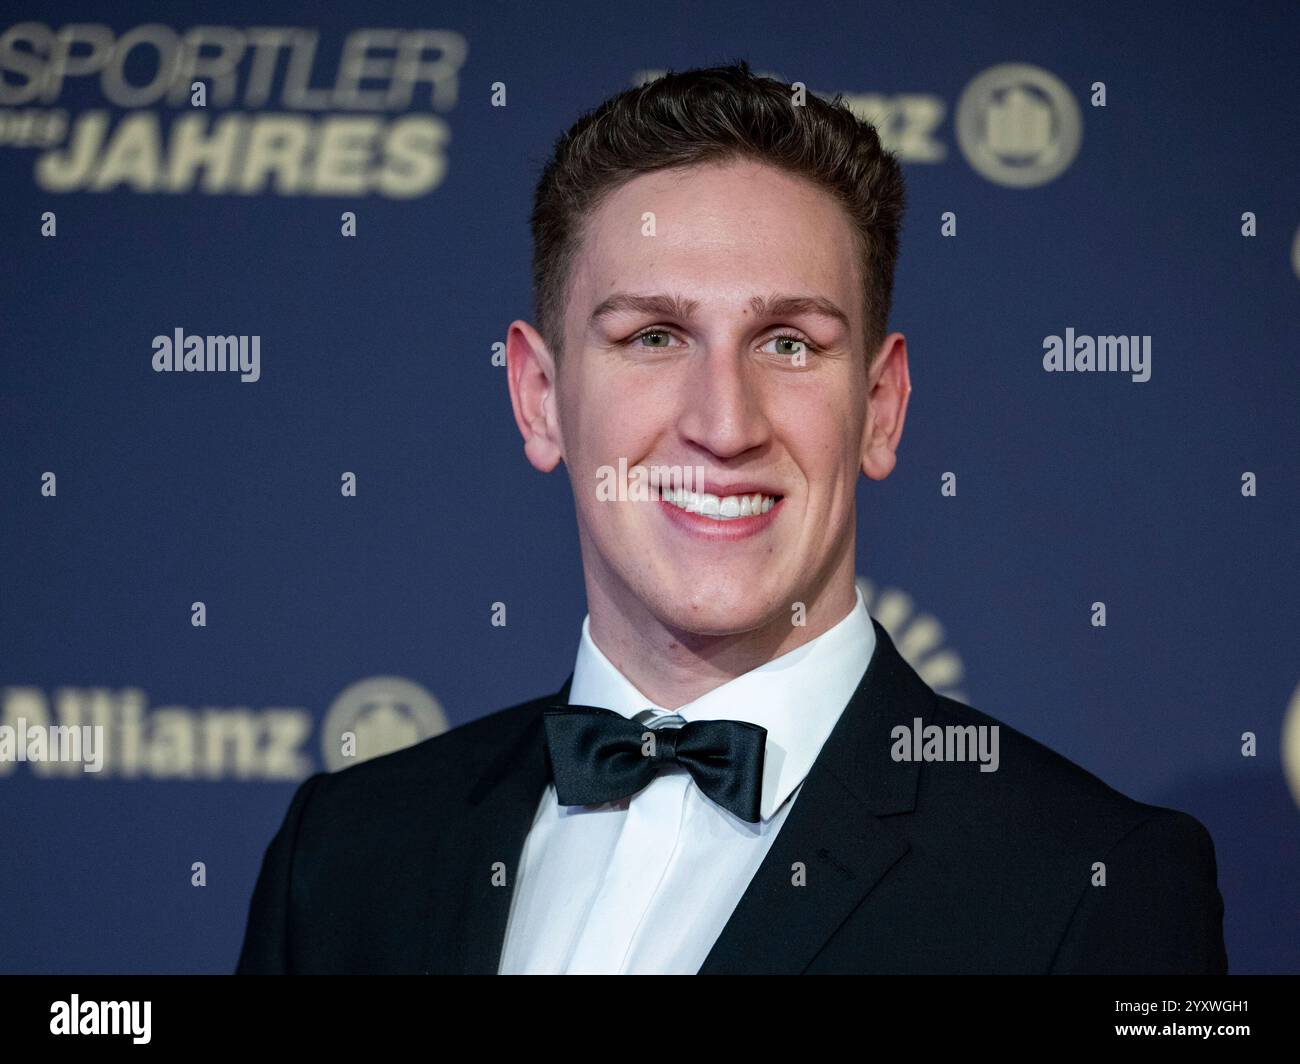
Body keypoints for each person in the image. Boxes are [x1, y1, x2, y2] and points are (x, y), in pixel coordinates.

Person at [235, 61, 1227, 975]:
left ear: (880, 408)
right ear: (538, 396)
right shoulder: (343, 851)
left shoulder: (1090, 883)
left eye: (788, 341)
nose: (724, 423)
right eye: (654, 334)